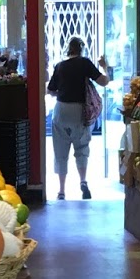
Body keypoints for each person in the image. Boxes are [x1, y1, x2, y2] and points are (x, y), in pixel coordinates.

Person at [45, 37, 109, 200]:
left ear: (69, 49)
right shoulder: (85, 63)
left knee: (60, 151)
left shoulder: (60, 66)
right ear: (81, 49)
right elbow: (104, 82)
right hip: (80, 111)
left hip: (61, 110)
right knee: (81, 149)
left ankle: (61, 190)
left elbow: (50, 90)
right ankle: (83, 181)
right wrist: (105, 67)